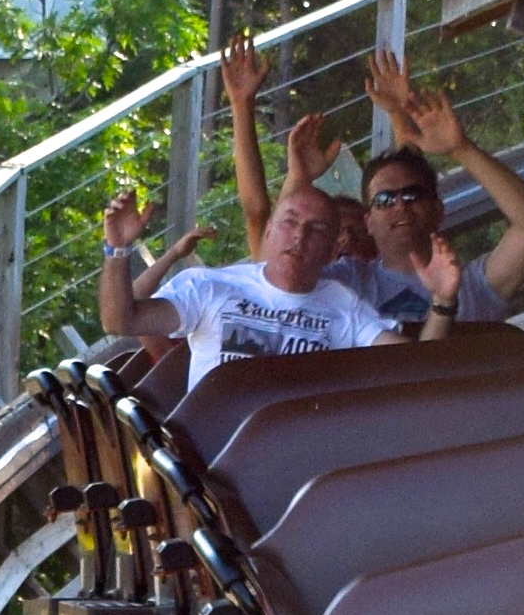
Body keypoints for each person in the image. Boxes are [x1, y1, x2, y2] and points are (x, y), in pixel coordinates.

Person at [98, 41, 386, 381]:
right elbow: (259, 212)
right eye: (290, 225)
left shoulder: (348, 303)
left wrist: (442, 298)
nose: (299, 237)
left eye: (319, 231)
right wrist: (118, 250)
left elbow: (407, 360)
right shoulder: (216, 287)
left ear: (331, 247)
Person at [353, 38, 524, 331]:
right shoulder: (347, 283)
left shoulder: (474, 286)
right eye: (385, 200)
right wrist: (398, 114)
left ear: (438, 210)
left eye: (412, 196)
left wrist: (461, 149)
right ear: (368, 221)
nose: (400, 206)